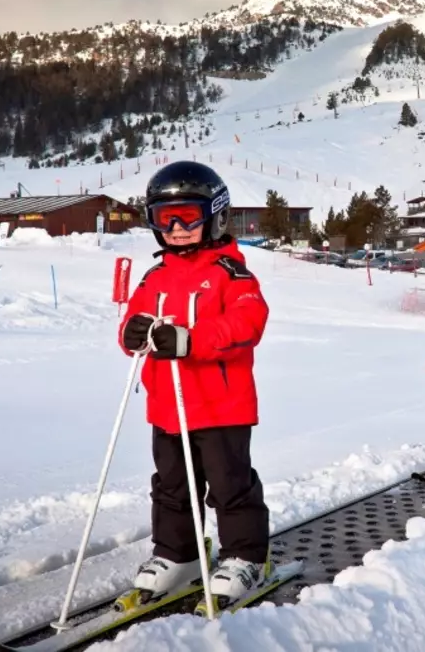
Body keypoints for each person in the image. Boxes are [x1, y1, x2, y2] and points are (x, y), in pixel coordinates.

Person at [117, 160, 272, 602]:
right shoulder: (155, 275)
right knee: (171, 485)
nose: (178, 227)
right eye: (166, 219)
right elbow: (134, 320)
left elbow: (248, 323)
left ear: (215, 215)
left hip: (221, 405)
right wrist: (131, 335)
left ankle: (246, 556)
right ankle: (179, 553)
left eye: (188, 215)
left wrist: (190, 340)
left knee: (229, 484)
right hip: (168, 406)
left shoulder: (231, 273)